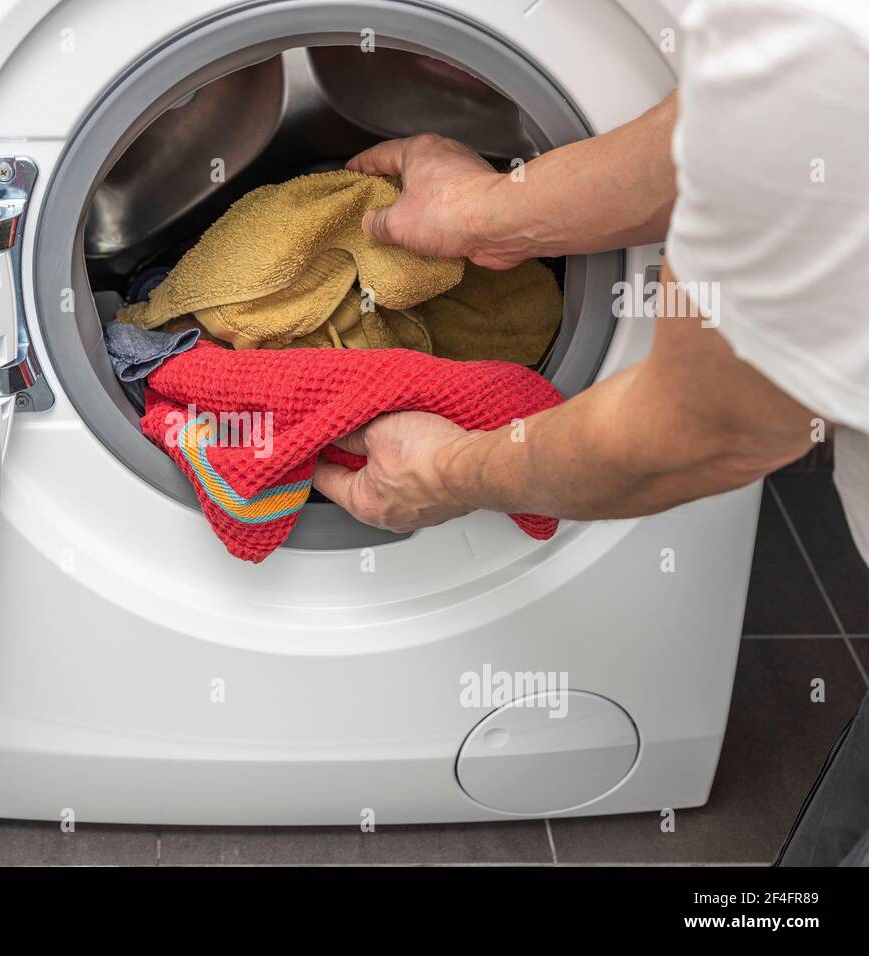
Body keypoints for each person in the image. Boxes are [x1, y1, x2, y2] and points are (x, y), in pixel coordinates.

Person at [311, 0, 869, 866]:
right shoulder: (794, 44)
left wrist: (444, 472)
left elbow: (699, 435)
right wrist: (489, 217)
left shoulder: (817, 50)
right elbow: (728, 125)